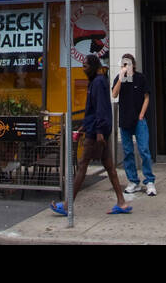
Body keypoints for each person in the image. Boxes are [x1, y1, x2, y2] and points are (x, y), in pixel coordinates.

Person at [52, 55, 130, 216]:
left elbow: (101, 108)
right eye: (82, 65)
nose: (83, 68)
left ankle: (67, 206)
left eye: (85, 66)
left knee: (82, 166)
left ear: (94, 66)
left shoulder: (98, 82)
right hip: (96, 129)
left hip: (96, 133)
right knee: (109, 166)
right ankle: (121, 202)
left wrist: (99, 131)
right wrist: (84, 126)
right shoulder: (96, 82)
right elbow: (93, 109)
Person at [112, 53, 155, 196]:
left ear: (134, 65)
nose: (126, 67)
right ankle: (133, 181)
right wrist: (121, 77)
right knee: (128, 151)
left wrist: (142, 115)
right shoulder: (120, 78)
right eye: (124, 64)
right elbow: (114, 94)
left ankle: (149, 181)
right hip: (125, 120)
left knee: (144, 150)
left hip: (139, 119)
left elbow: (146, 97)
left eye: (128, 64)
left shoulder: (140, 78)